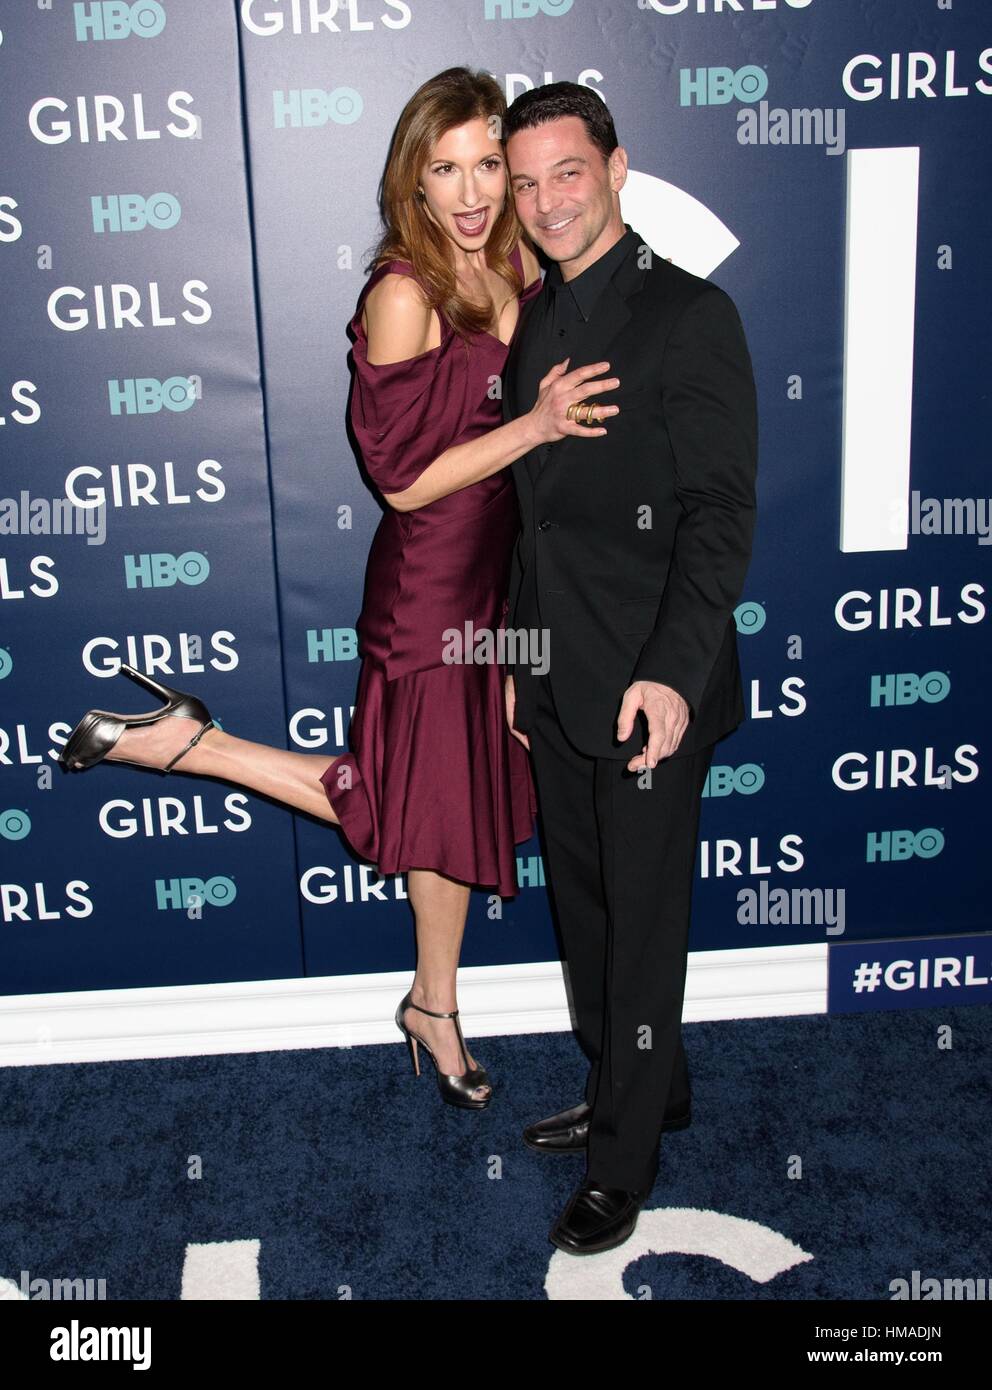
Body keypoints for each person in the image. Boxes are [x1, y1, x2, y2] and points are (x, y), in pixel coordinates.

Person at [57, 68, 621, 1112]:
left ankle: (431, 1001)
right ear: (411, 180)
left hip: (503, 583)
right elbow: (402, 482)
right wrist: (534, 425)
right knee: (402, 809)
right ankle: (193, 745)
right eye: (444, 168)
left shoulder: (519, 270)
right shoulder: (403, 294)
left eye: (487, 164)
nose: (471, 191)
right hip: (430, 588)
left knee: (445, 809)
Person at [500, 83, 758, 1254]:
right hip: (555, 672)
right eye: (523, 182)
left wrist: (665, 674)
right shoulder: (532, 321)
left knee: (643, 924)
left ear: (614, 166)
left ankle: (624, 1156)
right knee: (589, 912)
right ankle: (644, 1087)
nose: (546, 201)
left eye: (566, 171)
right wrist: (514, 658)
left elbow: (715, 515)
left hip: (651, 684)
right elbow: (531, 516)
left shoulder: (688, 316)